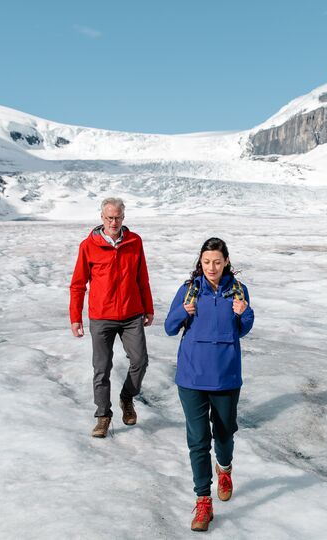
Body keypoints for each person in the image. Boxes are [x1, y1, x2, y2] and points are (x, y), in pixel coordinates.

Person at [164, 237, 254, 532]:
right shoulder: (189, 291)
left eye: (217, 261)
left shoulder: (238, 291)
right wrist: (182, 312)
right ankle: (203, 500)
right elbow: (169, 328)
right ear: (200, 263)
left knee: (225, 432)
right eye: (206, 262)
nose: (211, 267)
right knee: (198, 439)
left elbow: (241, 330)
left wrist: (245, 313)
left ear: (226, 261)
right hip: (191, 377)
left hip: (226, 375)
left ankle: (225, 468)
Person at [70, 197, 154, 438]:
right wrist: (75, 317)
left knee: (140, 361)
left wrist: (148, 309)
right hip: (101, 316)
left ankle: (126, 397)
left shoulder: (134, 242)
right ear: (102, 218)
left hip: (132, 314)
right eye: (109, 218)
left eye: (117, 217)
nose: (113, 221)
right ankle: (103, 416)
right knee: (101, 368)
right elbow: (78, 285)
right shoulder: (88, 245)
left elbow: (142, 279)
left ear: (123, 218)